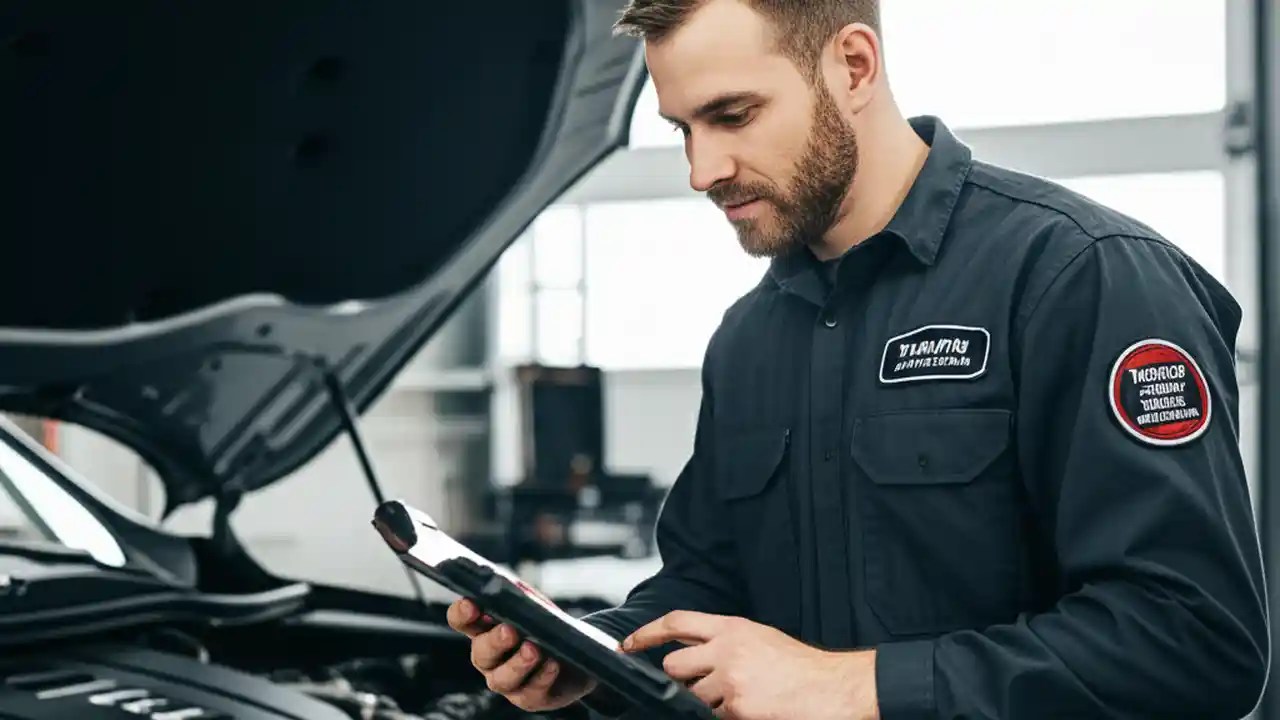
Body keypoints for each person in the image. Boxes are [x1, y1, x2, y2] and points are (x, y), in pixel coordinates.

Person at [447, 0, 1271, 717]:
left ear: (852, 65)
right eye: (683, 129)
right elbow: (709, 587)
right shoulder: (749, 338)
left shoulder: (1084, 278)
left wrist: (857, 686)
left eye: (733, 115)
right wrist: (591, 653)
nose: (702, 170)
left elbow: (1196, 640)